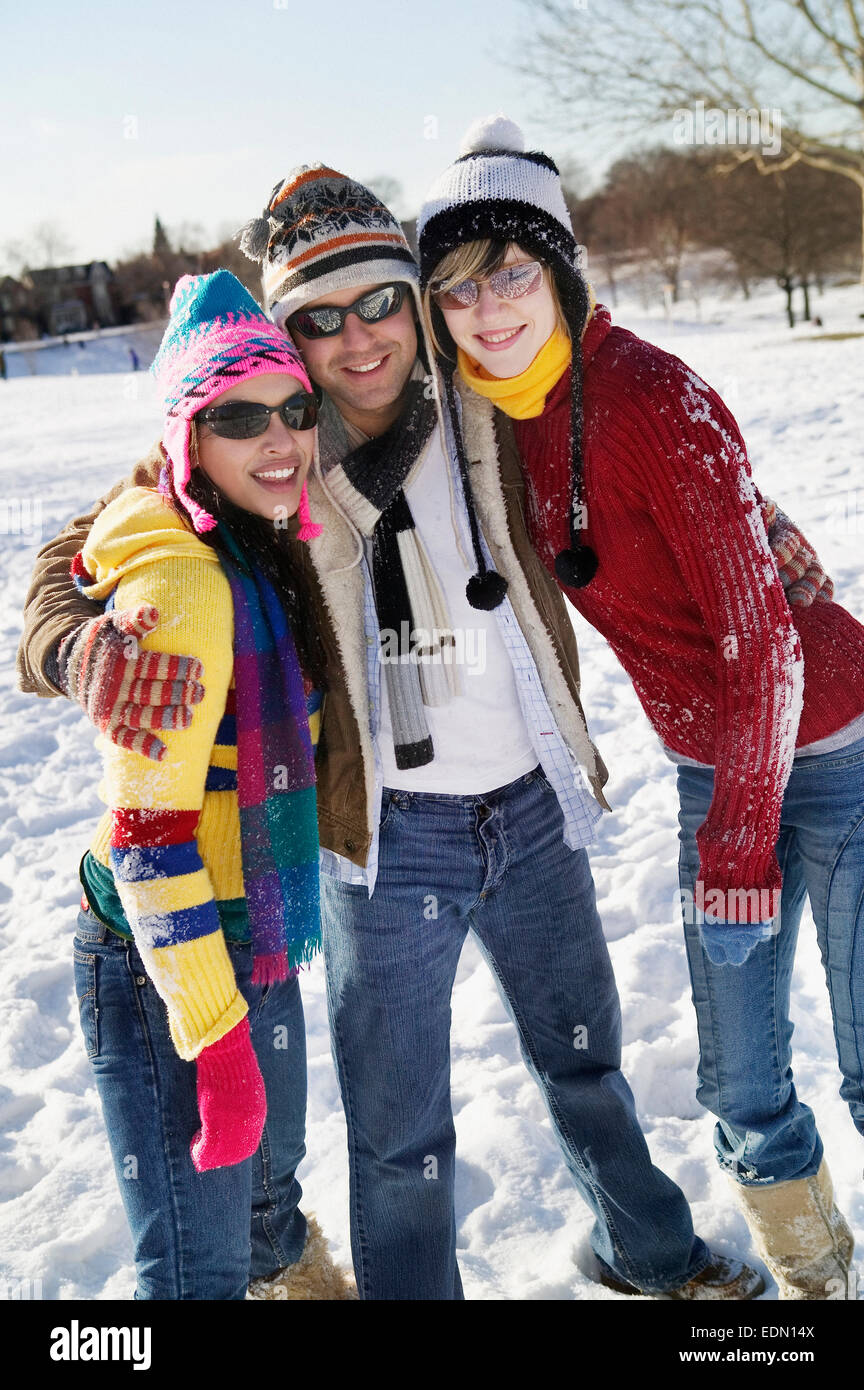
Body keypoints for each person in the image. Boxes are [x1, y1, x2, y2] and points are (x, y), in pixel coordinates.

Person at [17, 171, 823, 1302]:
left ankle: (648, 1254)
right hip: (384, 843)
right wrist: (70, 641)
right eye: (321, 319)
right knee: (401, 1131)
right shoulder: (271, 440)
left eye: (381, 302)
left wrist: (752, 510)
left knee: (587, 1064)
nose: (359, 339)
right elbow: (86, 545)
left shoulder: (479, 390)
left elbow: (608, 422)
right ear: (290, 340)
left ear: (414, 301)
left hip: (530, 809)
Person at [417, 115, 864, 1299]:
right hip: (712, 764)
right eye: (457, 286)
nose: (488, 307)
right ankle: (817, 1283)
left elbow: (766, 644)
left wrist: (737, 842)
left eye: (512, 271)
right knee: (743, 1086)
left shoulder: (654, 394)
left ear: (561, 270)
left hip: (834, 747)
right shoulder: (485, 416)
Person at [38, 269, 352, 1301]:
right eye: (239, 417)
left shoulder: (257, 533)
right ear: (187, 439)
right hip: (160, 958)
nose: (279, 437)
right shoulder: (183, 583)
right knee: (194, 1269)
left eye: (293, 408)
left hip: (245, 924)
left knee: (264, 1200)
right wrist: (217, 1040)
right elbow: (149, 839)